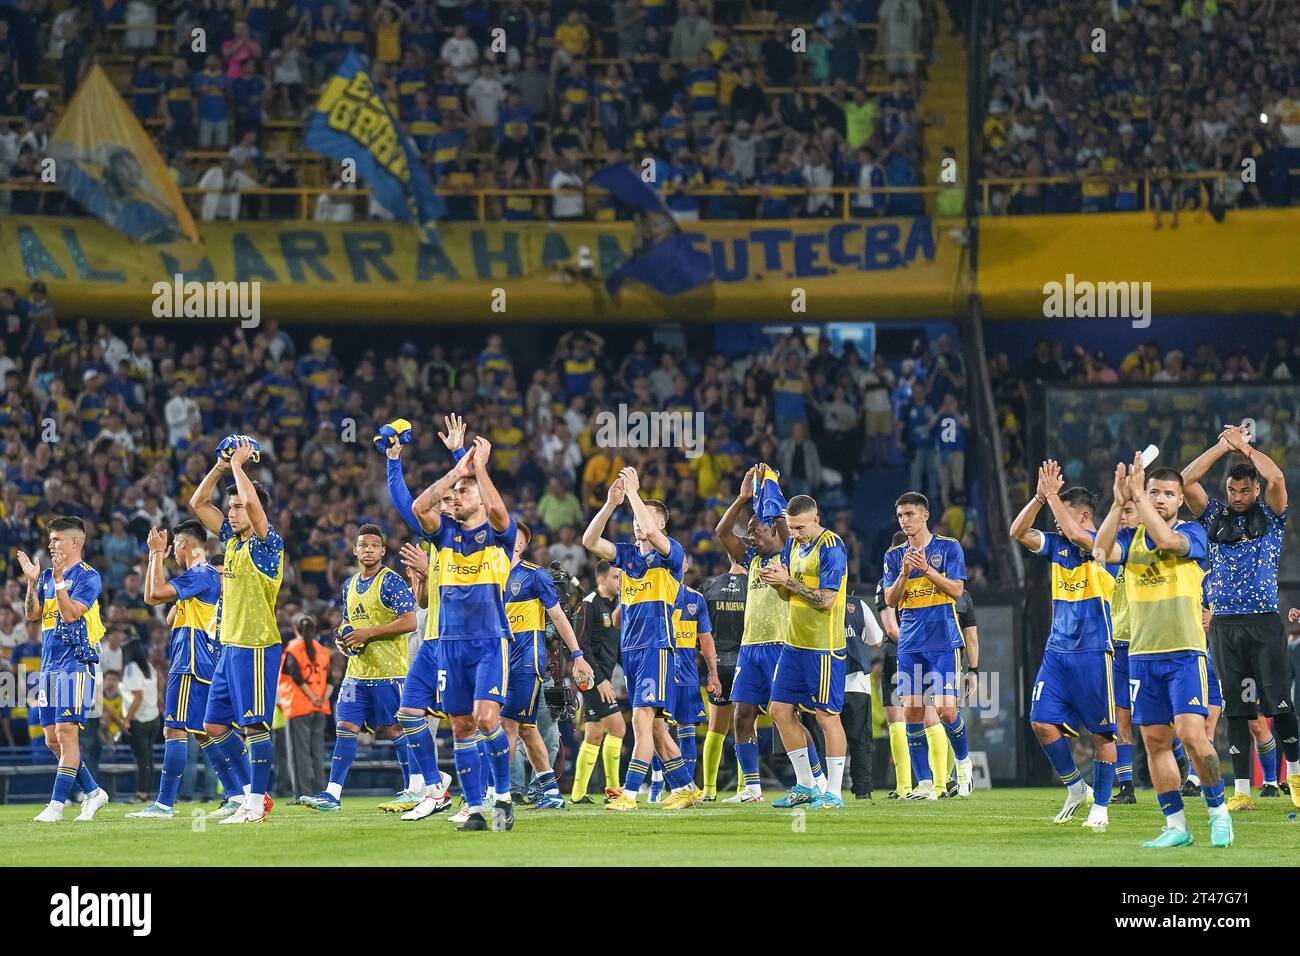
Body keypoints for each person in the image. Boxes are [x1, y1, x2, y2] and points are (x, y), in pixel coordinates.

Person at [1094, 457, 1233, 849]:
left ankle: (1218, 813)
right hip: (1142, 656)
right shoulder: (1131, 539)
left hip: (1185, 653)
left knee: (1192, 736)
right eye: (1153, 491)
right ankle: (1176, 825)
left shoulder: (1194, 532)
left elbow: (1169, 543)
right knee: (1155, 742)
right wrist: (1118, 503)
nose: (1159, 499)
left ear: (1179, 502)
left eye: (1168, 494)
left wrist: (1136, 495)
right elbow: (1100, 553)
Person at [1181, 424, 1299, 809]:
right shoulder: (1214, 514)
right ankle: (1242, 793)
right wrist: (1221, 447)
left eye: (1245, 490)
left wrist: (1245, 450)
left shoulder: (1272, 515)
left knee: (1279, 704)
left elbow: (1277, 476)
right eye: (1232, 490)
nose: (1237, 497)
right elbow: (1186, 481)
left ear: (1255, 490)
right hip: (1224, 624)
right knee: (1236, 709)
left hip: (1264, 621)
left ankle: (1296, 777)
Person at [410, 434, 519, 832]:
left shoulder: (498, 534)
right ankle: (474, 810)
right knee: (460, 726)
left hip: (491, 641)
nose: (455, 495)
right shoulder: (443, 535)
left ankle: (503, 799)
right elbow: (419, 505)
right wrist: (456, 470)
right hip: (450, 645)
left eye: (463, 490)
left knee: (487, 718)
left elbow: (496, 508)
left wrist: (480, 469)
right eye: (454, 491)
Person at [582, 466, 703, 811]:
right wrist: (609, 504)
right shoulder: (629, 556)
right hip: (632, 648)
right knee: (659, 729)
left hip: (656, 645)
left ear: (661, 524)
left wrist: (634, 493)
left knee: (640, 719)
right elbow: (589, 542)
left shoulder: (672, 554)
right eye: (634, 517)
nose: (638, 523)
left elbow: (649, 529)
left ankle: (630, 795)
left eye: (645, 518)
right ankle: (687, 788)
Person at [1009, 460, 1119, 831]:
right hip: (1057, 652)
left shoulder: (1107, 544)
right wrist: (1041, 498)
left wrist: (1053, 496)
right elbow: (1018, 531)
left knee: (1103, 734)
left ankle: (1100, 807)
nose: (1057, 522)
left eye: (1063, 513)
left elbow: (1077, 536)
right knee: (1041, 723)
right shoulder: (1056, 542)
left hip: (1094, 649)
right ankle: (1076, 787)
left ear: (1084, 514)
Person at [712, 465, 827, 804]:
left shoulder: (792, 553)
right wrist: (743, 498)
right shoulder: (751, 559)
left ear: (774, 529)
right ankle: (751, 787)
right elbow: (721, 531)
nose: (749, 536)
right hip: (750, 647)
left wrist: (771, 486)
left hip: (782, 644)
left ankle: (816, 779)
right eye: (748, 531)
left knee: (786, 716)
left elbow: (780, 520)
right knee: (742, 714)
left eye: (755, 529)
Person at [188, 437, 285, 825]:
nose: (230, 512)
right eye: (229, 507)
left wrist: (241, 468)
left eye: (237, 506)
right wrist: (221, 467)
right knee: (212, 726)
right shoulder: (230, 541)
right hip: (229, 646)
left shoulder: (267, 543)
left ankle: (257, 802)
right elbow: (197, 504)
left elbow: (257, 513)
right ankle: (249, 796)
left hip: (257, 644)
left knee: (253, 724)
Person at [301, 524, 417, 811]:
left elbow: (410, 621)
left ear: (382, 551)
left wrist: (368, 633)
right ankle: (332, 794)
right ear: (354, 550)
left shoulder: (391, 581)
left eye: (374, 545)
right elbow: (347, 622)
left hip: (389, 671)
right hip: (357, 673)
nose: (368, 550)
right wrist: (343, 639)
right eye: (363, 545)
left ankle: (413, 787)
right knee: (345, 727)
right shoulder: (349, 585)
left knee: (394, 729)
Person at [385, 415, 464, 820]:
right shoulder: (437, 541)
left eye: (452, 499)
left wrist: (460, 455)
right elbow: (405, 504)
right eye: (443, 500)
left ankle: (488, 795)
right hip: (433, 639)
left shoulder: (472, 537)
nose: (446, 504)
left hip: (464, 641)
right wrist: (393, 460)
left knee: (468, 722)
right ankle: (434, 787)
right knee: (408, 713)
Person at [759, 494, 853, 809]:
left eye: (799, 527)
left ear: (816, 518)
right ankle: (806, 785)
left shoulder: (832, 547)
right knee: (779, 711)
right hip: (794, 644)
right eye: (791, 528)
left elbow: (826, 600)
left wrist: (788, 581)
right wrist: (776, 582)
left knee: (827, 717)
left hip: (823, 647)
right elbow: (790, 596)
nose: (795, 533)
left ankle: (835, 793)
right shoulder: (794, 546)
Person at [127, 521, 224, 819]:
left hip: (190, 660)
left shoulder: (199, 574)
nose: (174, 554)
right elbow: (153, 600)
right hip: (202, 660)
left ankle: (164, 804)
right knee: (206, 733)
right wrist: (153, 558)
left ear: (182, 545)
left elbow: (155, 592)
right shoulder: (200, 579)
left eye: (175, 548)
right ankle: (238, 793)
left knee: (174, 729)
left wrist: (155, 554)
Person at [18, 517, 111, 823]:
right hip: (48, 666)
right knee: (51, 739)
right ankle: (94, 792)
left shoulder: (89, 577)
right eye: (50, 539)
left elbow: (71, 615)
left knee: (66, 734)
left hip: (75, 662)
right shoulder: (46, 577)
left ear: (75, 542)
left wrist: (58, 581)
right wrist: (33, 581)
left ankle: (56, 805)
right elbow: (33, 614)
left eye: (56, 539)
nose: (50, 544)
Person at [882, 492, 974, 801]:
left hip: (943, 642)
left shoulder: (948, 547)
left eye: (909, 514)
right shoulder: (894, 556)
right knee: (912, 712)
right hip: (910, 644)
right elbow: (890, 601)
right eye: (900, 516)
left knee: (947, 712)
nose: (904, 520)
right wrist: (906, 573)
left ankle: (963, 765)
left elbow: (957, 590)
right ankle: (923, 785)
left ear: (925, 515)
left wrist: (927, 570)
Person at [500, 521, 593, 810]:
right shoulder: (487, 576)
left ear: (521, 544)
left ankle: (499, 792)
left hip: (525, 662)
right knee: (527, 729)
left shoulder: (534, 575)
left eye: (517, 537)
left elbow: (559, 617)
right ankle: (551, 793)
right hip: (496, 662)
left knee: (507, 726)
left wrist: (577, 655)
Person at [569, 560, 626, 804]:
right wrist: (600, 680)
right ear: (601, 579)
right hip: (591, 677)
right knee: (618, 728)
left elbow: (617, 647)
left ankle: (578, 794)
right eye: (615, 577)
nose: (620, 581)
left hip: (602, 676)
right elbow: (581, 645)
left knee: (594, 734)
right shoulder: (588, 605)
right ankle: (613, 791)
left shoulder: (616, 607)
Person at [665, 556, 721, 784]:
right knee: (659, 730)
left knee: (687, 732)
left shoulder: (696, 600)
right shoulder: (655, 597)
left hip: (687, 675)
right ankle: (660, 783)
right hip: (662, 673)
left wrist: (713, 673)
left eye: (681, 561)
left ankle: (687, 786)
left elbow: (706, 640)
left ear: (686, 566)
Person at [697, 555, 746, 800]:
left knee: (715, 729)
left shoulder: (709, 585)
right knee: (746, 727)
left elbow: (698, 628)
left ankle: (709, 790)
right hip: (746, 662)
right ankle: (745, 788)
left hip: (716, 664)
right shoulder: (756, 586)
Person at [280, 614, 334, 805]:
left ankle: (302, 794)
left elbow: (296, 676)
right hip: (320, 707)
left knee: (299, 753)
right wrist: (321, 699)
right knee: (317, 753)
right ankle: (320, 792)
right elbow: (330, 681)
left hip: (299, 705)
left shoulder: (294, 648)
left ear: (296, 628)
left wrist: (311, 697)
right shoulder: (322, 650)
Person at [1109, 497, 1140, 804]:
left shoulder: (1150, 549)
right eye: (1119, 512)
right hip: (1119, 644)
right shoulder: (1113, 553)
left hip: (1149, 645)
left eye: (1128, 511)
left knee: (1163, 719)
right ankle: (1127, 786)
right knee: (1122, 717)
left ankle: (1182, 766)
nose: (1121, 517)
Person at [842, 588, 883, 799]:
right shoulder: (857, 605)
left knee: (823, 737)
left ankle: (822, 786)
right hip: (856, 682)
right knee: (860, 739)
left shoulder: (813, 601)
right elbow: (877, 640)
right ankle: (863, 789)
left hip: (825, 681)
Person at [120, 636, 161, 803]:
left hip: (140, 720)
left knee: (142, 759)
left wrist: (126, 720)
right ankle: (147, 793)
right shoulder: (149, 667)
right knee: (148, 759)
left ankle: (142, 794)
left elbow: (137, 696)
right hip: (154, 717)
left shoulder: (131, 668)